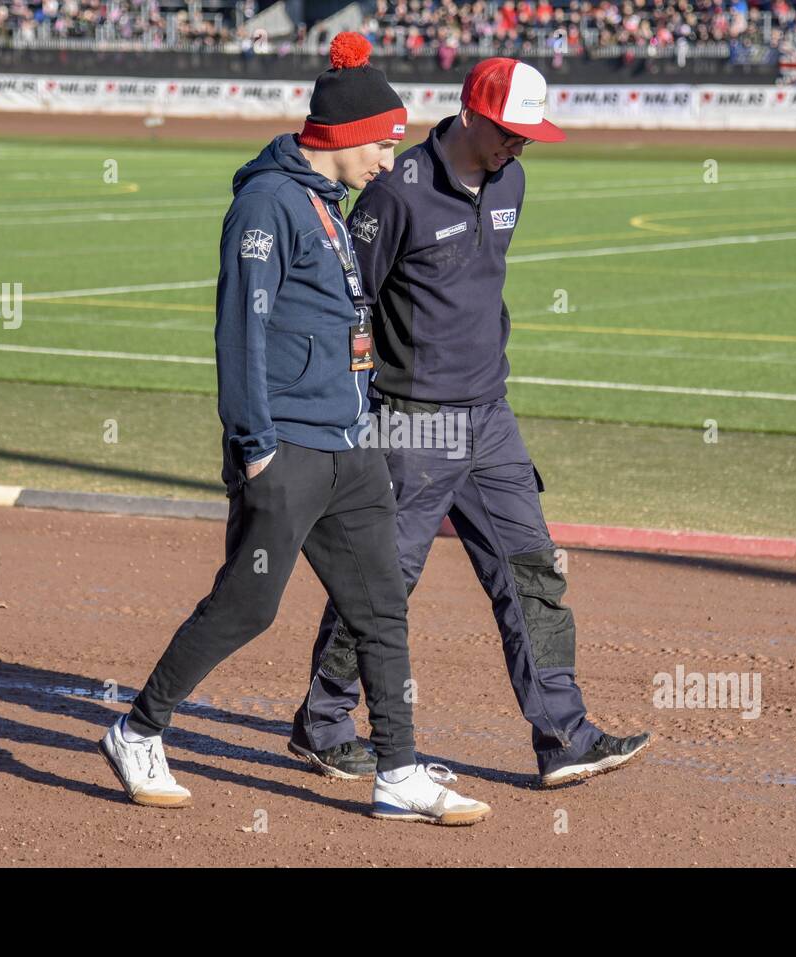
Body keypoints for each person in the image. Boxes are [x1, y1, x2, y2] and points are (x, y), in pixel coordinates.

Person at [98, 32, 490, 826]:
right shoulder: (266, 204)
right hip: (287, 449)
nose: (389, 159)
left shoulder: (329, 204)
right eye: (382, 142)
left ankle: (401, 771)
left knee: (381, 606)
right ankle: (138, 729)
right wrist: (255, 445)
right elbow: (240, 333)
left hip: (349, 449)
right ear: (345, 135)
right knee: (248, 606)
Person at [289, 57, 651, 788]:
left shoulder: (513, 181)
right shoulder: (396, 193)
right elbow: (349, 303)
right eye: (512, 132)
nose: (522, 146)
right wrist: (355, 411)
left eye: (530, 136)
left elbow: (485, 289)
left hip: (490, 418)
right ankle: (323, 725)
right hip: (411, 426)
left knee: (533, 570)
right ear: (473, 115)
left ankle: (564, 735)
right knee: (380, 584)